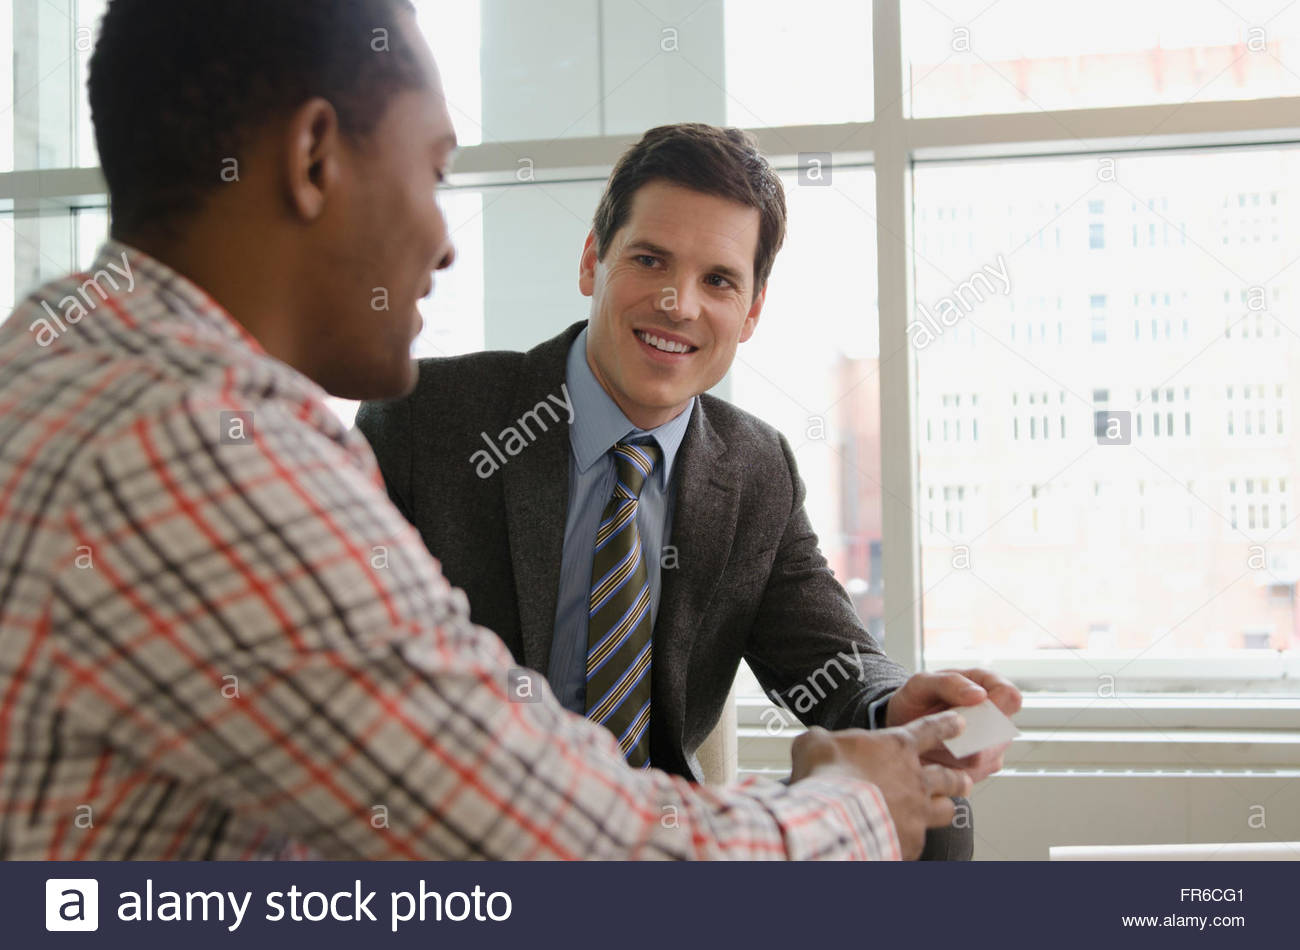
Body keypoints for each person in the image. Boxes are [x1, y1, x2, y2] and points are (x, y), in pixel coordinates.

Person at [0, 0, 970, 861]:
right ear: (313, 158)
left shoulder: (59, 359)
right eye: (431, 171)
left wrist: (888, 717)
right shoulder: (203, 447)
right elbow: (563, 842)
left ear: (752, 306)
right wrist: (856, 802)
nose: (444, 239)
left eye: (719, 279)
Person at [357, 123, 1023, 859]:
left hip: (664, 851)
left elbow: (828, 659)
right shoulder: (430, 419)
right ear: (592, 260)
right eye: (650, 260)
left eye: (719, 280)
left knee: (937, 818)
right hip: (466, 836)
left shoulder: (755, 467)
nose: (679, 305)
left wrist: (897, 703)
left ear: (753, 310)